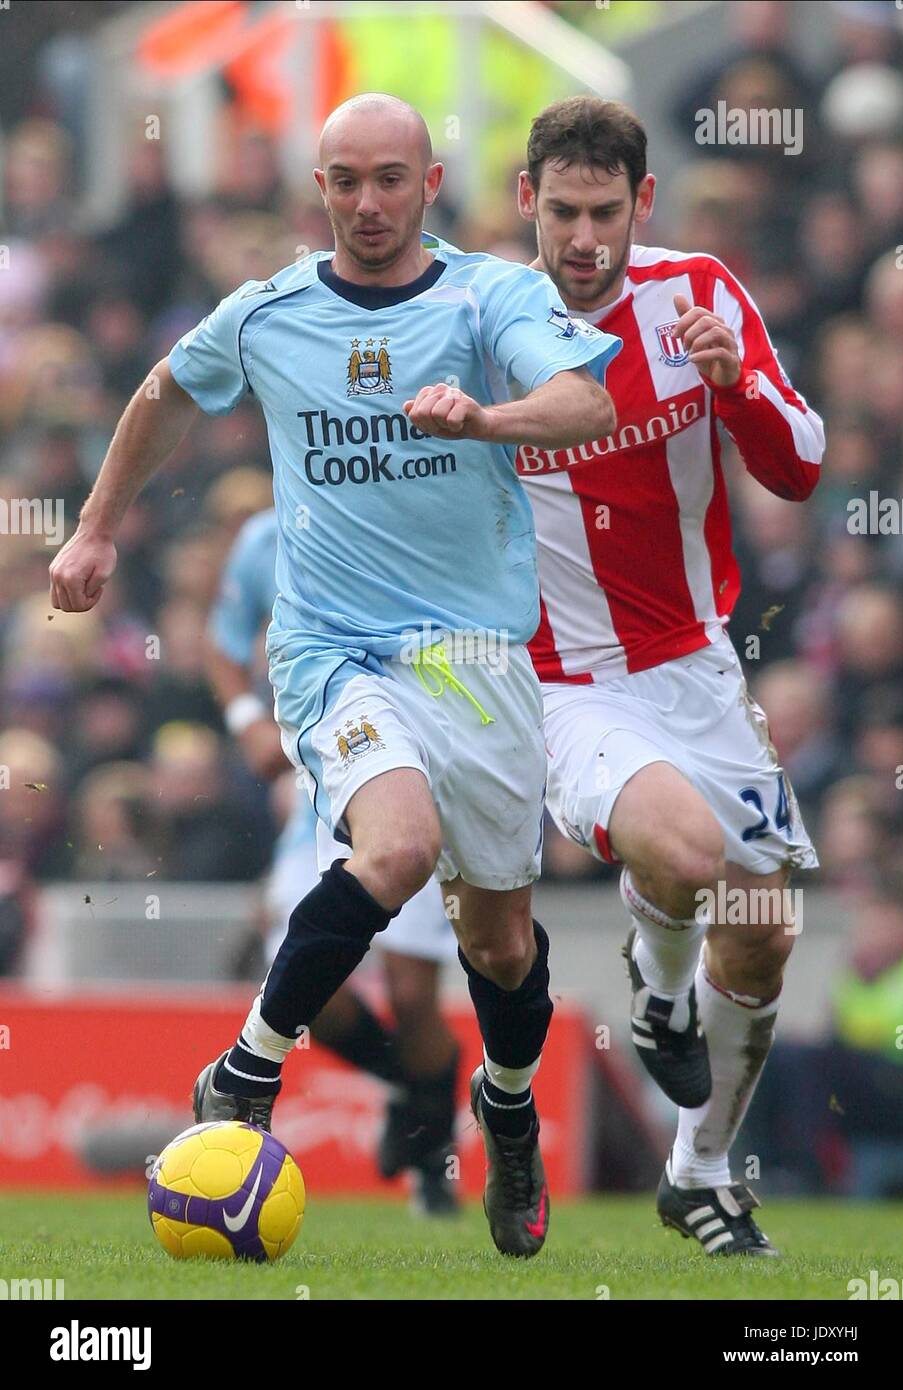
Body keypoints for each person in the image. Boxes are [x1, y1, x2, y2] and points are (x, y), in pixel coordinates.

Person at [48, 93, 621, 1259]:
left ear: (428, 180)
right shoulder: (267, 314)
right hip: (332, 650)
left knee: (499, 946)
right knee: (395, 846)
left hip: (474, 661)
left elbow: (588, 399)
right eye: (343, 181)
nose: (366, 204)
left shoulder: (489, 295)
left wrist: (486, 416)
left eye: (388, 180)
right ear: (318, 187)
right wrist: (97, 527)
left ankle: (503, 1105)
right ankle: (246, 1068)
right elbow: (164, 388)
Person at [515, 96, 824, 1255]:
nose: (581, 239)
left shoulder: (697, 291)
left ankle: (697, 1174)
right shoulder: (485, 313)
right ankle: (654, 989)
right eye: (560, 213)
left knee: (762, 931)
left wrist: (734, 380)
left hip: (692, 663)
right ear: (523, 204)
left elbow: (798, 468)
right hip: (559, 678)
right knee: (686, 852)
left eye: (603, 213)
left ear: (641, 204)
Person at [207, 506, 462, 1214]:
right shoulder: (265, 537)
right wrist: (247, 721)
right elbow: (221, 645)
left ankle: (432, 1166)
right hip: (330, 773)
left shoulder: (431, 505)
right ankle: (419, 1094)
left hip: (430, 766)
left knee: (414, 998)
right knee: (312, 988)